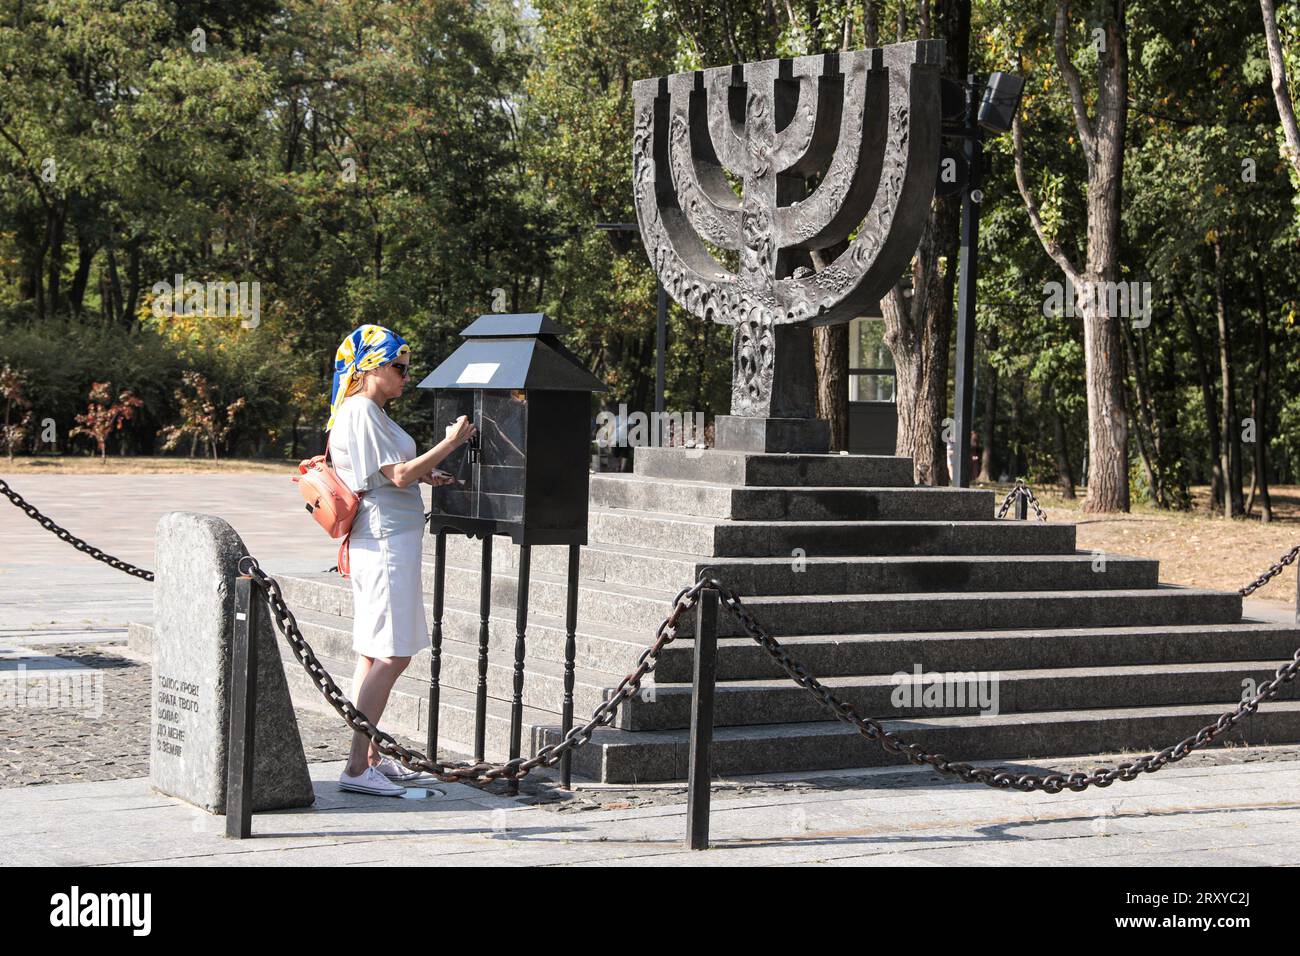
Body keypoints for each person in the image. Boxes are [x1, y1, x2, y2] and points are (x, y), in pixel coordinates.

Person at [326, 324, 475, 796]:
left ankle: (370, 756)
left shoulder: (369, 411)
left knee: (373, 653)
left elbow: (392, 475)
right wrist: (451, 441)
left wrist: (427, 476)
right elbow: (399, 473)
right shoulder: (362, 410)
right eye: (399, 367)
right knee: (392, 653)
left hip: (387, 536)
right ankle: (356, 767)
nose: (406, 376)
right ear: (371, 367)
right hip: (386, 540)